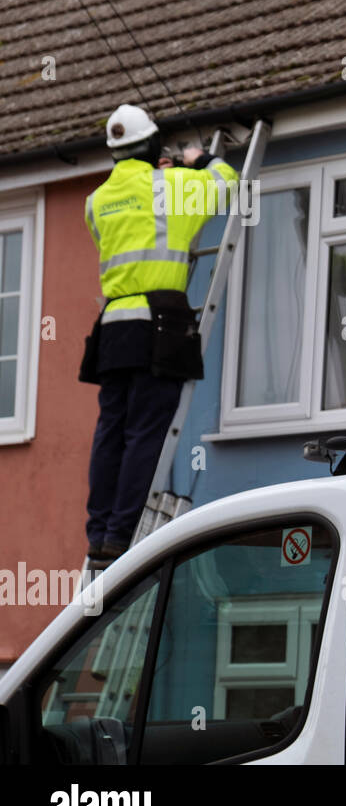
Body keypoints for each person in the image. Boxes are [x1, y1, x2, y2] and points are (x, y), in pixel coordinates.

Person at [79, 104, 238, 567]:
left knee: (111, 432)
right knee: (146, 433)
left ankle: (100, 532)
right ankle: (120, 535)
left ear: (114, 154)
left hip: (112, 329)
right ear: (152, 147)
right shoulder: (176, 186)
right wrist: (201, 161)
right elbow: (228, 184)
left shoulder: (97, 202)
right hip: (158, 326)